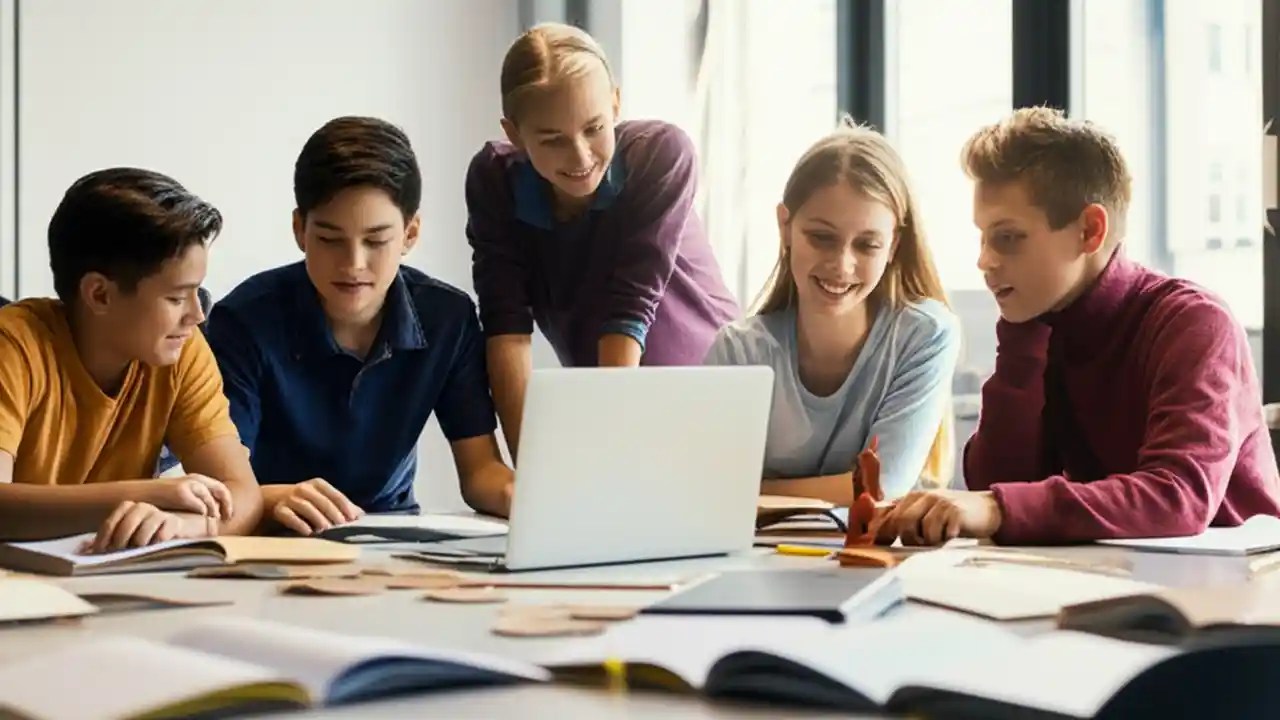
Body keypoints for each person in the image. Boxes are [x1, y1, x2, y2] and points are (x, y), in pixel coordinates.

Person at [871, 107, 1280, 546]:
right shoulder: (1045, 321)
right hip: (1111, 577)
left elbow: (1179, 495)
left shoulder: (1194, 323)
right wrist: (1021, 342)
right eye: (983, 237)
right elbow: (997, 481)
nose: (984, 261)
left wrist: (998, 506)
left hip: (1234, 589)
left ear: (1089, 230)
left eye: (1007, 238)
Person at [205, 116, 513, 536]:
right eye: (330, 239)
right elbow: (221, 485)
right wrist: (274, 497)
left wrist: (529, 500)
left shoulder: (447, 319)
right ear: (300, 229)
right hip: (272, 537)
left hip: (392, 537)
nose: (353, 264)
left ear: (410, 233)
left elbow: (480, 472)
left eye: (376, 241)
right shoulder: (243, 320)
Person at [466, 22, 740, 460]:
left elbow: (629, 312)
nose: (580, 157)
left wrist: (615, 449)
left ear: (615, 103)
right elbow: (506, 330)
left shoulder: (662, 154)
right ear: (514, 134)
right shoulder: (494, 182)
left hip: (713, 398)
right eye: (552, 139)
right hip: (614, 401)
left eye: (594, 128)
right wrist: (528, 466)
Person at [0, 168, 263, 550]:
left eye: (197, 292)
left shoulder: (181, 350)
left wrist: (185, 527)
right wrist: (148, 495)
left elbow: (244, 494)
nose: (197, 315)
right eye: (176, 298)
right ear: (100, 295)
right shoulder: (15, 345)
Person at [704, 123, 961, 506]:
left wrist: (749, 491)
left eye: (867, 245)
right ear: (785, 227)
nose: (842, 265)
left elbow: (881, 486)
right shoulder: (738, 351)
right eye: (822, 237)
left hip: (883, 558)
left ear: (893, 246)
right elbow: (703, 485)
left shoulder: (926, 334)